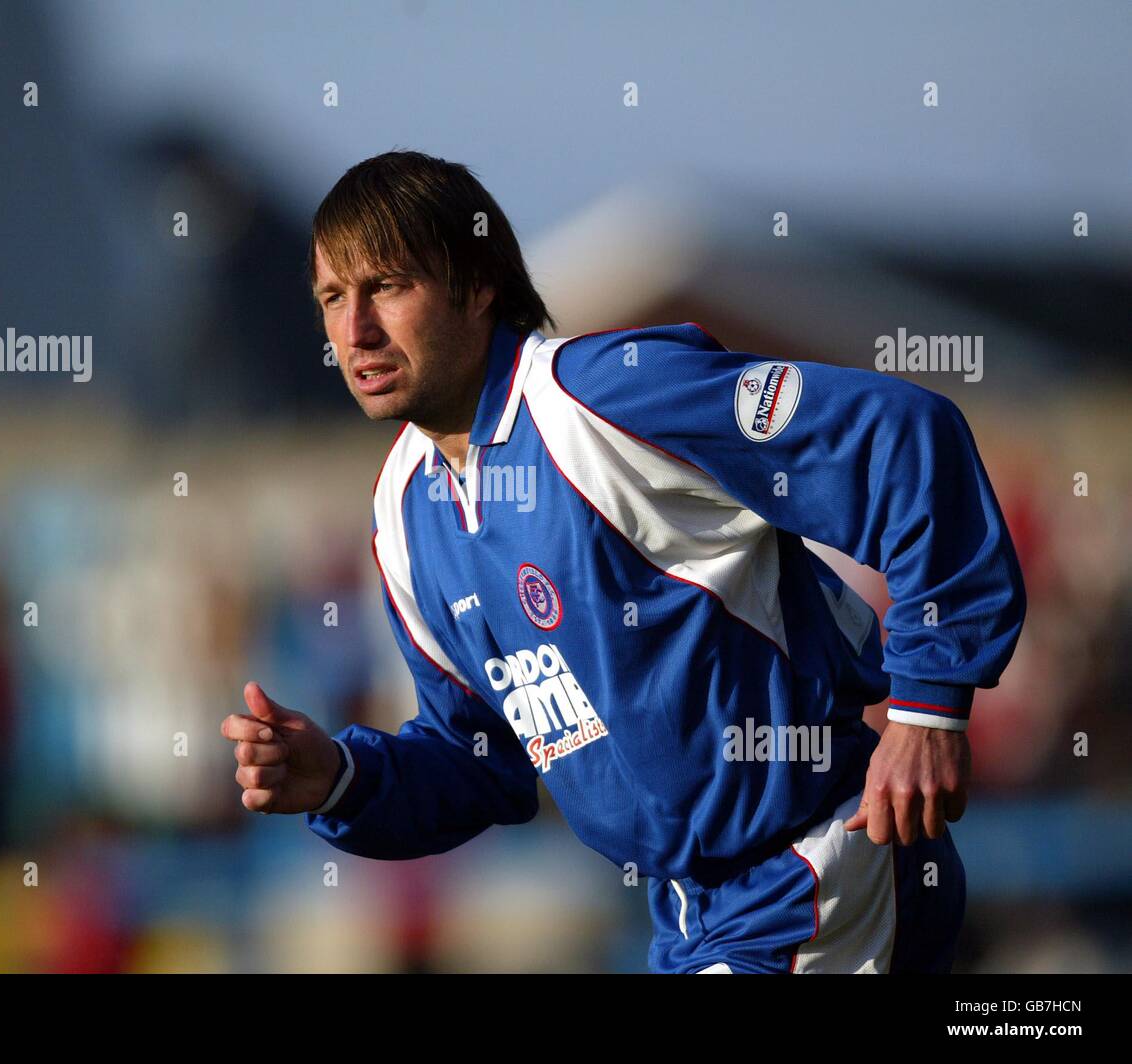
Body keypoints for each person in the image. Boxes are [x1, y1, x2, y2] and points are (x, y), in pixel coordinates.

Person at [220, 150, 1026, 973]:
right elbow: (484, 764)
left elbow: (902, 435)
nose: (355, 329)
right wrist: (344, 778)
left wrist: (930, 707)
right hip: (686, 914)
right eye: (332, 297)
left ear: (478, 283)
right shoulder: (402, 512)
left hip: (819, 871)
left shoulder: (603, 400)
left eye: (387, 286)